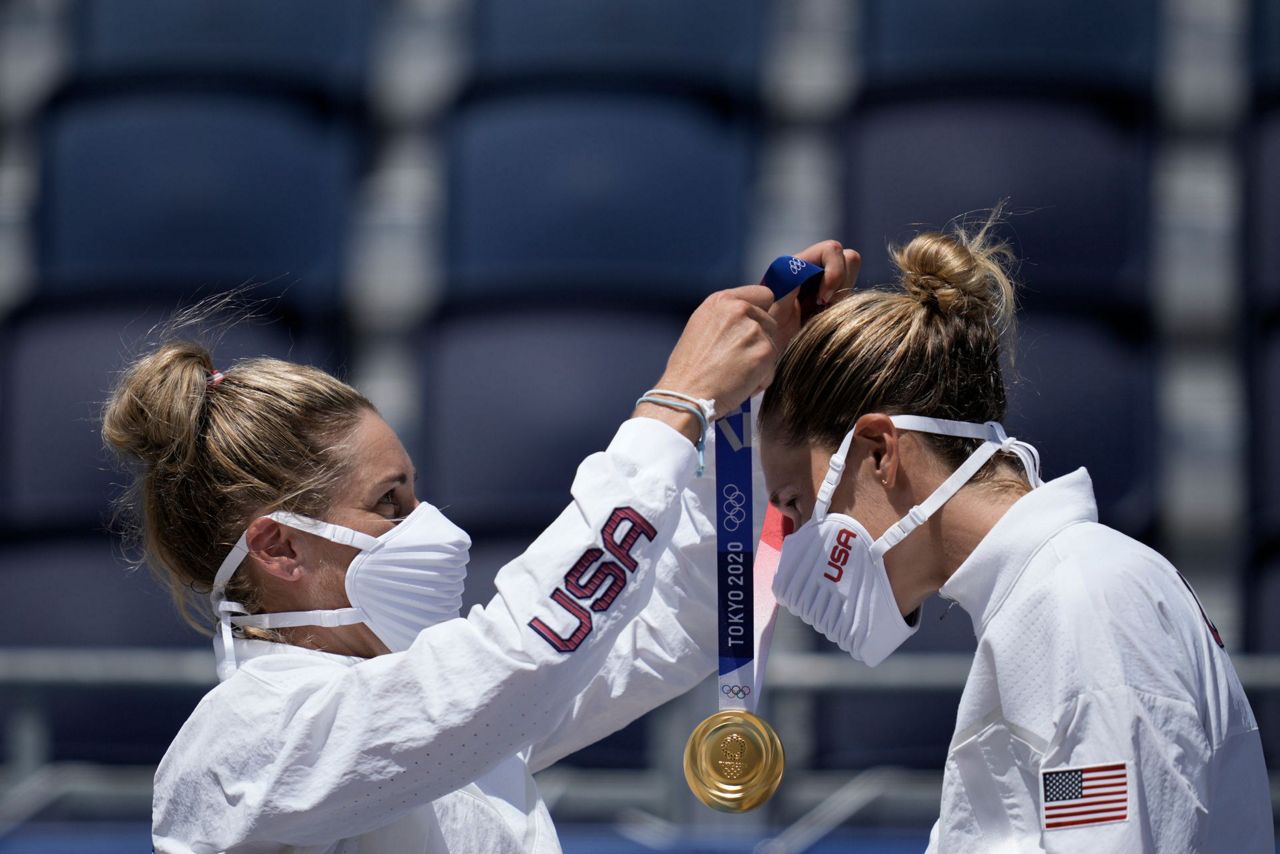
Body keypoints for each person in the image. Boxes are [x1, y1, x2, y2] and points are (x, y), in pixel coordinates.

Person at [102, 243, 860, 853]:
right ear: (280, 550)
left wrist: (766, 400)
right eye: (389, 503)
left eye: (415, 493)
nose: (431, 526)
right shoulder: (247, 739)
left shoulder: (433, 702)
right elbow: (526, 653)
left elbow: (678, 621)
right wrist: (674, 406)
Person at [758, 214, 1273, 851]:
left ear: (880, 453)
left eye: (795, 502)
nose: (791, 537)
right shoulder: (1052, 598)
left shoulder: (1083, 599)